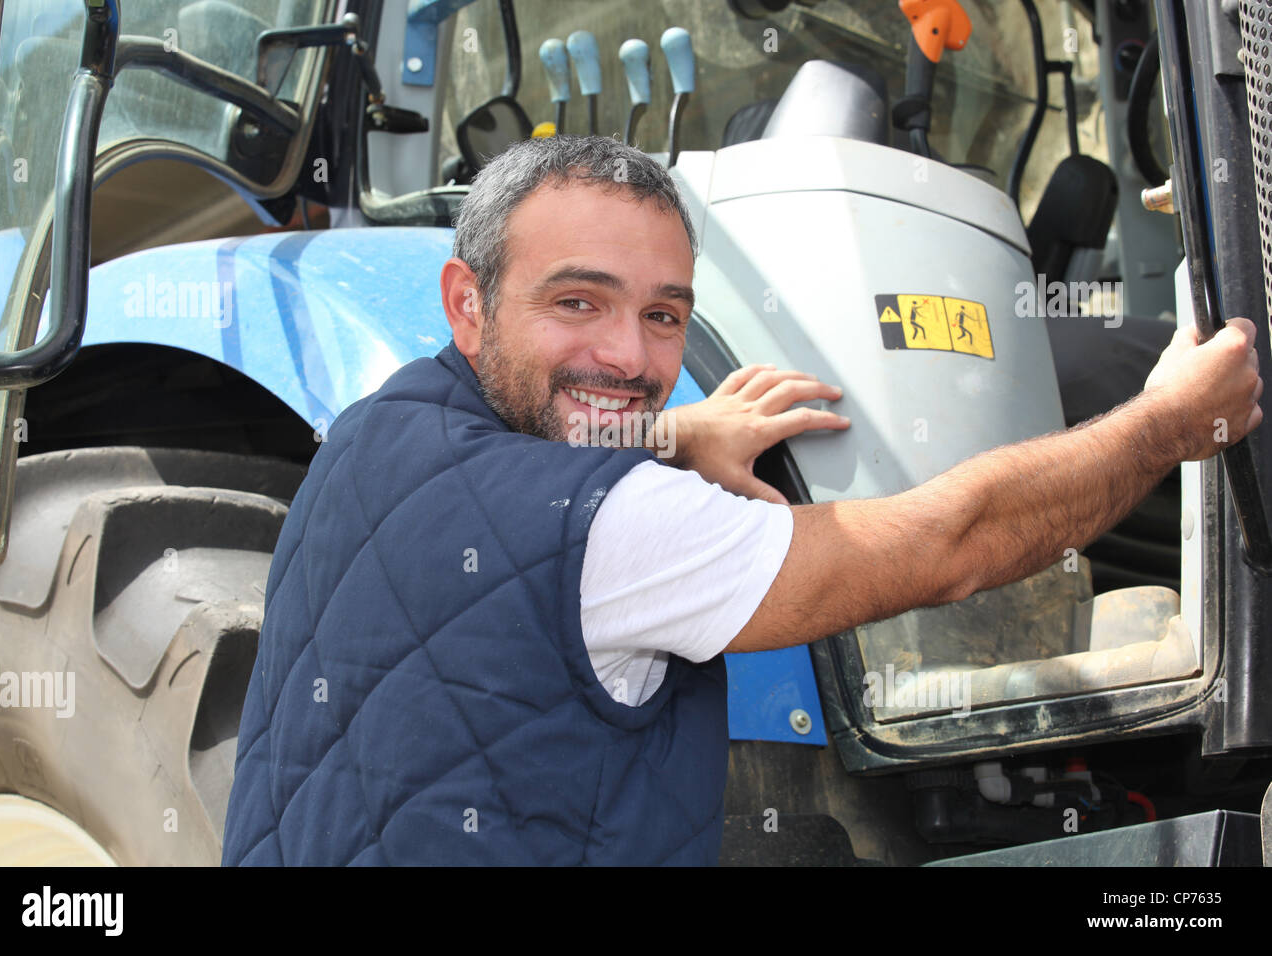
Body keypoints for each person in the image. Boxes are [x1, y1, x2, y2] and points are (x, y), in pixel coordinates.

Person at [221, 135, 1262, 866]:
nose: (629, 357)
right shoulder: (626, 531)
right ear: (467, 300)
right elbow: (955, 546)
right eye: (577, 301)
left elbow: (520, 481)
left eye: (664, 314)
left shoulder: (369, 431)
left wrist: (671, 430)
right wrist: (1171, 421)